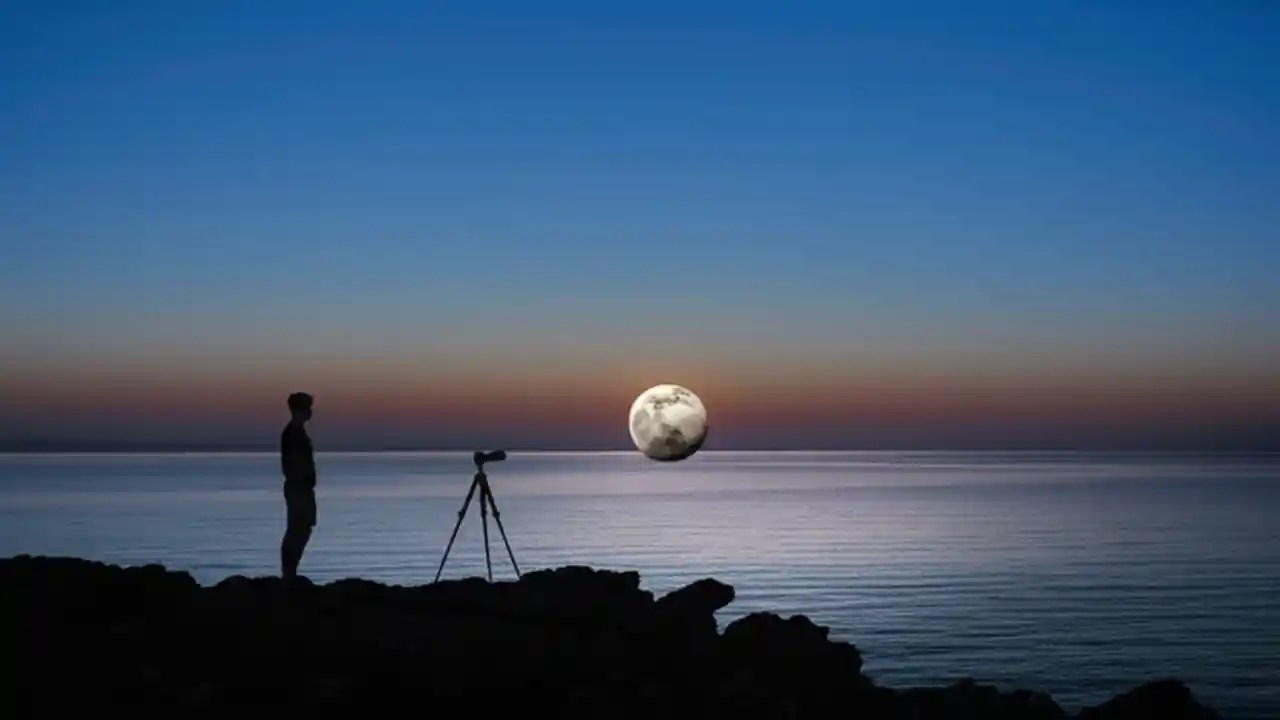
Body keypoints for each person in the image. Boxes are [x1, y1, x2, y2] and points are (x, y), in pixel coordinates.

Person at [280, 391, 317, 582]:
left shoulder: (297, 433)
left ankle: (290, 572)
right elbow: (292, 464)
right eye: (307, 408)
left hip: (302, 488)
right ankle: (289, 573)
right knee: (297, 529)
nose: (310, 412)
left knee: (303, 527)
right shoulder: (292, 434)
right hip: (298, 488)